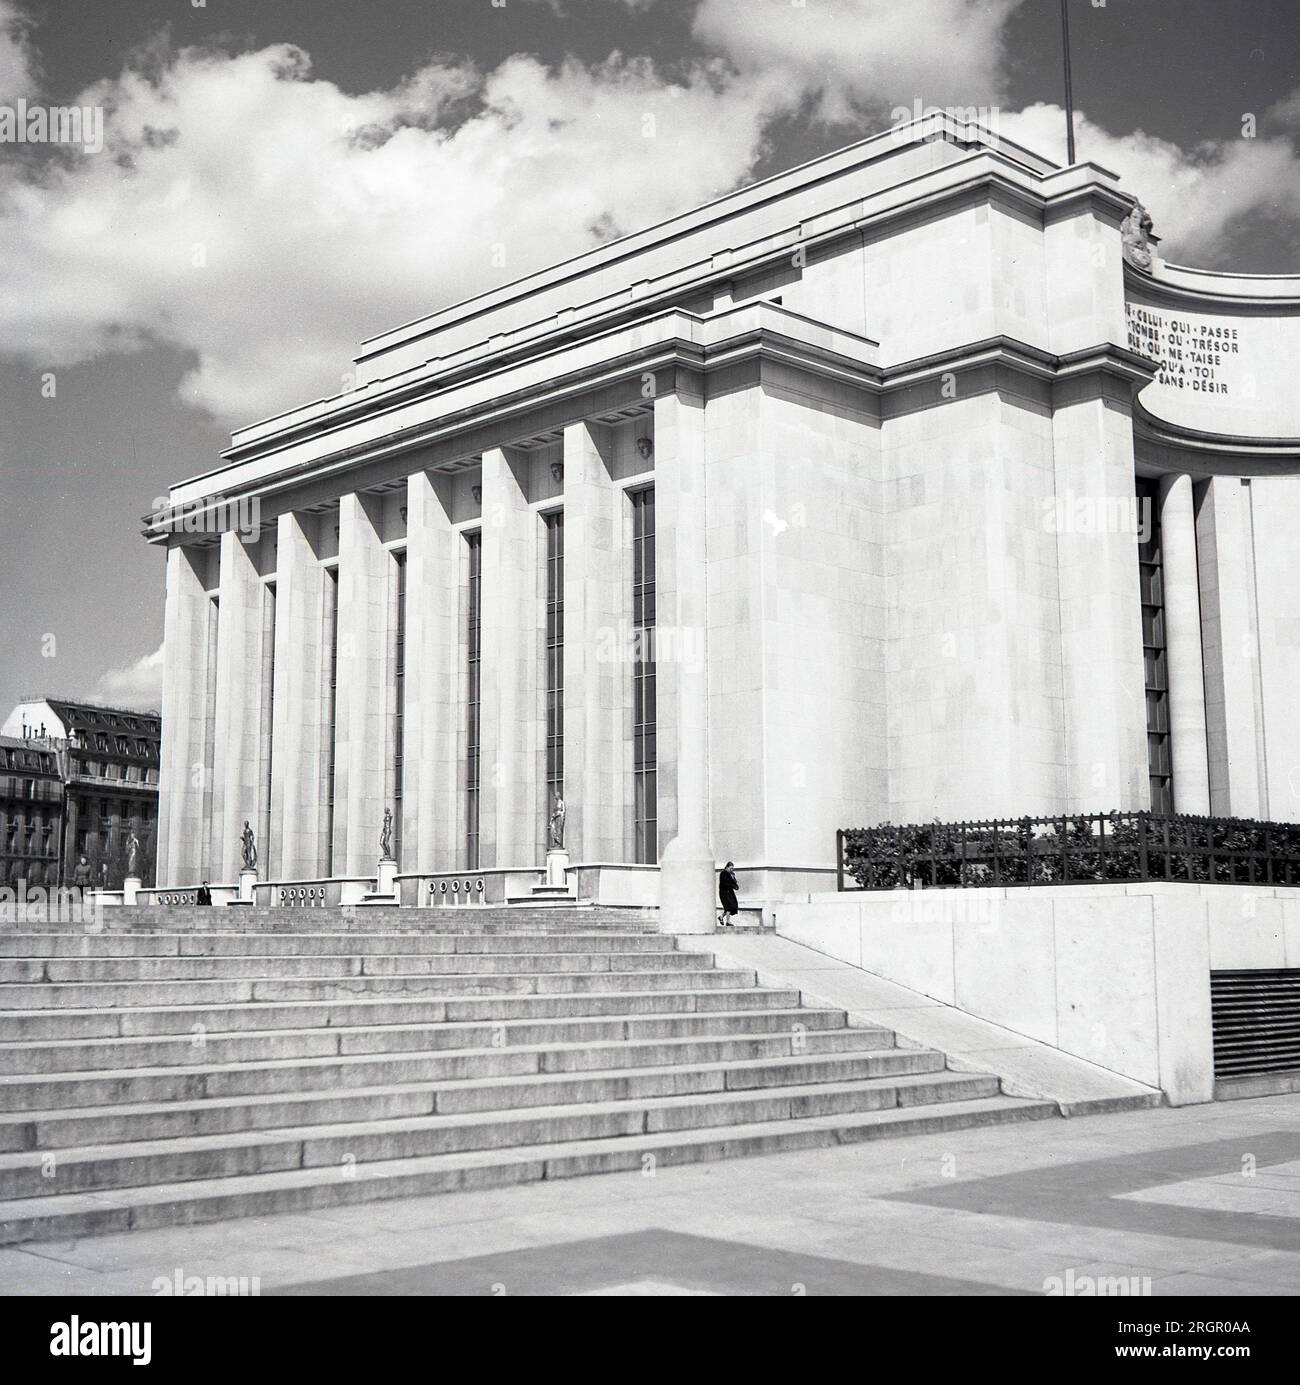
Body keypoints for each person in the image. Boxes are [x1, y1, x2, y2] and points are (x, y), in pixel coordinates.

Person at [718, 861, 740, 928]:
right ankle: (728, 922)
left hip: (729, 892)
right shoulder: (723, 873)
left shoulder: (731, 874)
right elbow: (725, 883)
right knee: (729, 906)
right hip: (724, 892)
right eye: (731, 868)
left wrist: (733, 878)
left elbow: (734, 882)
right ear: (727, 867)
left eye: (732, 868)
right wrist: (732, 885)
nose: (732, 870)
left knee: (731, 906)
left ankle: (721, 917)